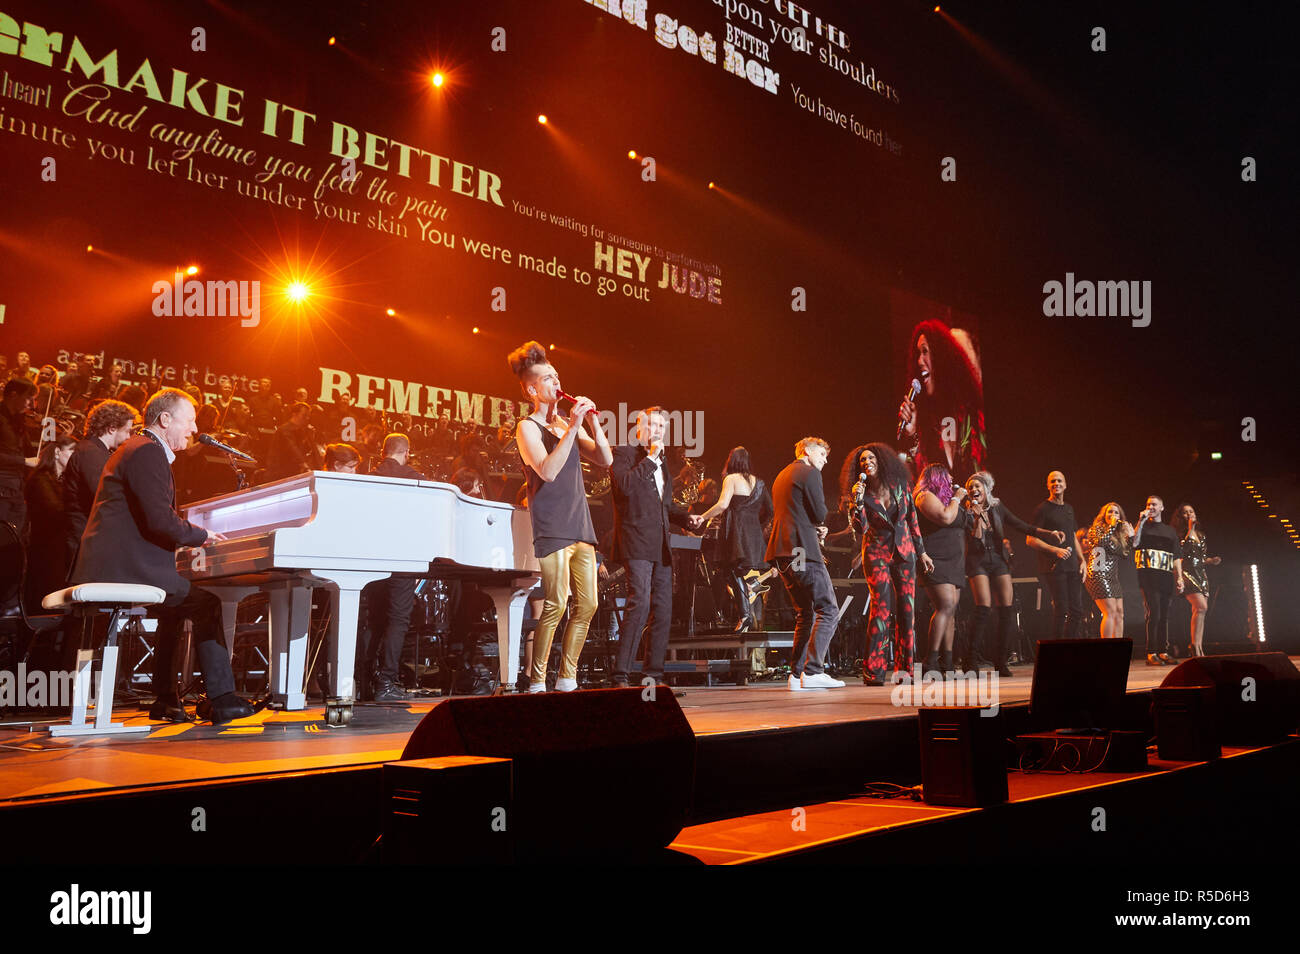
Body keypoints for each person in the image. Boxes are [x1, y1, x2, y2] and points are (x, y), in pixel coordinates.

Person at [69, 388, 253, 723]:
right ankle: (223, 699)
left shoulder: (139, 448)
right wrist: (201, 535)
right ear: (165, 419)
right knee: (206, 603)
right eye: (190, 420)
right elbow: (159, 520)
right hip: (124, 567)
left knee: (175, 607)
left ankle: (166, 698)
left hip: (121, 561)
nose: (194, 429)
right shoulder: (146, 452)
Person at [510, 340, 612, 692]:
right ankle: (536, 679)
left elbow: (605, 460)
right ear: (532, 389)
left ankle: (567, 677)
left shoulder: (565, 426)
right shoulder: (528, 428)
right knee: (556, 601)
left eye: (557, 376)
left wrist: (592, 423)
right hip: (552, 526)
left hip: (581, 525)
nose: (557, 383)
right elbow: (548, 471)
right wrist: (572, 427)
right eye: (549, 379)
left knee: (589, 603)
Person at [609, 407, 701, 687]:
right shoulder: (625, 452)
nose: (658, 430)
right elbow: (623, 487)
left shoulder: (661, 464)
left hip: (661, 544)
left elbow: (665, 505)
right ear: (639, 426)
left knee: (662, 608)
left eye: (662, 426)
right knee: (639, 603)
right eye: (652, 425)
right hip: (635, 540)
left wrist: (686, 518)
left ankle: (653, 676)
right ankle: (620, 676)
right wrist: (650, 458)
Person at [845, 443, 934, 685]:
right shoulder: (859, 493)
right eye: (862, 460)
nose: (867, 462)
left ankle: (905, 670)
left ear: (881, 461)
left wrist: (922, 552)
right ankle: (874, 672)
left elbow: (912, 520)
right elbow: (861, 528)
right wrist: (858, 502)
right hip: (876, 553)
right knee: (881, 609)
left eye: (871, 458)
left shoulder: (900, 486)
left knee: (907, 611)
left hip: (905, 553)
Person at [962, 470, 1066, 676]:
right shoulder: (965, 512)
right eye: (970, 487)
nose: (974, 489)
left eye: (977, 486)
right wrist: (975, 516)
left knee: (1006, 610)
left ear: (985, 489)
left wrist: (1049, 534)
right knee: (983, 608)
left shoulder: (997, 507)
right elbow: (974, 539)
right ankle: (970, 661)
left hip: (999, 560)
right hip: (978, 560)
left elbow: (1020, 525)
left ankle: (1001, 661)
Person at [766, 437, 844, 691]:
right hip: (802, 550)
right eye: (822, 453)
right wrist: (819, 525)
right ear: (807, 452)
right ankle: (812, 671)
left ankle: (796, 673)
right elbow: (820, 512)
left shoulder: (782, 475)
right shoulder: (809, 472)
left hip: (782, 551)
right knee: (828, 608)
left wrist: (813, 528)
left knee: (805, 613)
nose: (825, 459)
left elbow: (794, 513)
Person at [897, 320, 988, 482]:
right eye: (918, 354)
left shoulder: (972, 414)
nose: (919, 361)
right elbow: (919, 482)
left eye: (925, 351)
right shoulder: (926, 424)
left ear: (942, 357)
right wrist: (912, 434)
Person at [696, 446, 773, 633]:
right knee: (736, 573)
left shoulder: (731, 479)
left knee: (730, 571)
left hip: (736, 535)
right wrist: (756, 525)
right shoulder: (760, 483)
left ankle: (745, 615)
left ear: (731, 461)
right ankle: (746, 614)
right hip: (753, 536)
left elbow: (722, 504)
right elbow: (770, 511)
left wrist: (701, 518)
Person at [911, 462, 970, 675]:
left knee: (951, 609)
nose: (952, 481)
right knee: (944, 605)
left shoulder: (949, 501)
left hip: (954, 560)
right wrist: (957, 498)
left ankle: (948, 661)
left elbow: (959, 521)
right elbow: (945, 517)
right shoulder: (924, 496)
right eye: (948, 477)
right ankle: (930, 660)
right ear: (937, 478)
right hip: (935, 557)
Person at [63, 399, 138, 561]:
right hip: (83, 542)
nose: (129, 436)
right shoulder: (92, 453)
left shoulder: (93, 450)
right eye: (127, 431)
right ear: (111, 429)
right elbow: (104, 495)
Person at [1027, 471, 1085, 639]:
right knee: (1061, 609)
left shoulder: (1069, 509)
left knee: (1077, 610)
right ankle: (1056, 651)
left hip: (1072, 566)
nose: (1056, 483)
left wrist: (1082, 560)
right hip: (1054, 567)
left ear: (1065, 485)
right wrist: (1055, 550)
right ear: (1047, 485)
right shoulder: (1042, 509)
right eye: (1052, 481)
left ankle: (1069, 648)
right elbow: (1030, 540)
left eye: (1059, 480)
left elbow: (1073, 536)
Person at [23, 436, 75, 612]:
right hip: (46, 547)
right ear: (58, 452)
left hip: (56, 547)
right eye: (72, 450)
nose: (75, 456)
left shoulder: (62, 480)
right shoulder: (41, 479)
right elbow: (54, 511)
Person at [0, 378, 39, 614]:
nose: (31, 403)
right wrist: (23, 461)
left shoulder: (19, 421)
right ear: (12, 394)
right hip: (2, 487)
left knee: (14, 547)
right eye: (27, 397)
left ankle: (7, 602)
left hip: (17, 489)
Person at [1132, 495, 1184, 665]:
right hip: (1148, 577)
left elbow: (1176, 557)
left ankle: (1163, 651)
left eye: (1154, 504)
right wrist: (1141, 521)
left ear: (1162, 507)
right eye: (1148, 504)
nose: (1151, 507)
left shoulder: (1170, 531)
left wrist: (1180, 577)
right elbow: (1134, 543)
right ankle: (1151, 652)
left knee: (1164, 615)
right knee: (1153, 613)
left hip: (1166, 577)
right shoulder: (1143, 527)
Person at [1081, 503, 1134, 637]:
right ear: (1104, 515)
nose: (1113, 515)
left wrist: (1130, 537)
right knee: (1109, 612)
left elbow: (1124, 554)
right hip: (1098, 574)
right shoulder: (1096, 529)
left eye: (1116, 513)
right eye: (1110, 512)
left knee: (1119, 613)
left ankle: (1119, 649)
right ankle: (1107, 649)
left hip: (1112, 577)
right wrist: (1111, 526)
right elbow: (1100, 542)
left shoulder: (1118, 534)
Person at [1173, 503, 1219, 657]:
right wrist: (1190, 529)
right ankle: (1194, 646)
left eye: (1191, 511)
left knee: (1200, 611)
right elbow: (1181, 552)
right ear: (1181, 517)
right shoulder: (1179, 534)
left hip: (1201, 575)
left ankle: (1197, 646)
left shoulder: (1201, 535)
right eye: (1185, 513)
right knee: (1201, 607)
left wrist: (1210, 561)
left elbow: (1200, 558)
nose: (1189, 514)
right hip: (1187, 573)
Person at [264, 402, 315, 480]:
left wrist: (311, 437)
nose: (307, 418)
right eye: (304, 415)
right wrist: (304, 464)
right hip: (279, 473)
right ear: (294, 414)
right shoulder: (285, 430)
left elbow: (307, 452)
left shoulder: (303, 431)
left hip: (292, 472)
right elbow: (292, 448)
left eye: (308, 416)